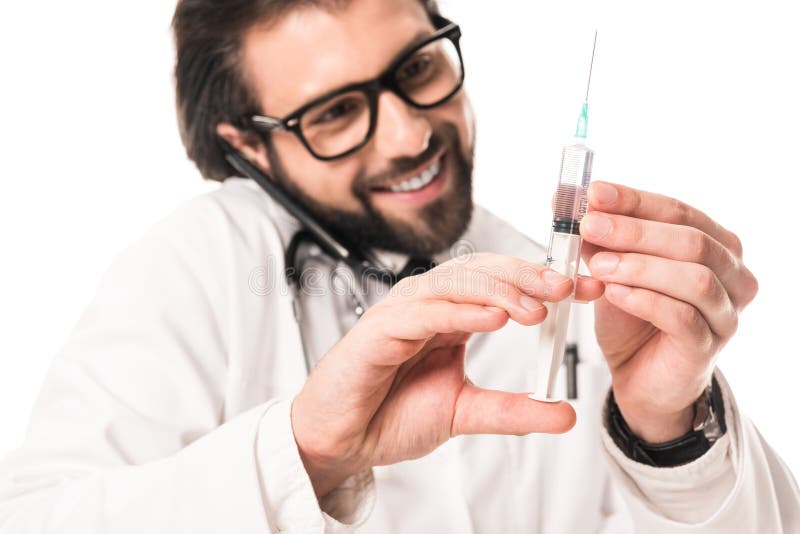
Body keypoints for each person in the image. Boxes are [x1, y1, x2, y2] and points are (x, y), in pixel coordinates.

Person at [1, 0, 798, 532]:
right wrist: (305, 452)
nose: (409, 136)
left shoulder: (558, 282)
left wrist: (666, 431)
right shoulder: (198, 264)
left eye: (417, 68)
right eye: (337, 113)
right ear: (247, 146)